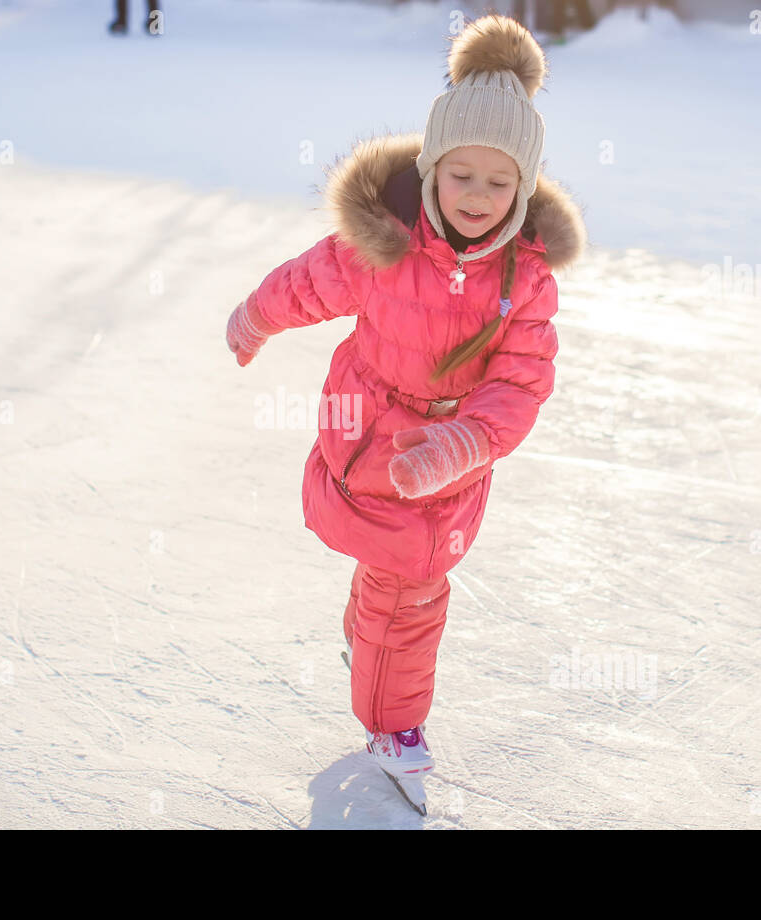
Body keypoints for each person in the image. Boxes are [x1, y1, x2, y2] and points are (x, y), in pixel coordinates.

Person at [225, 14, 586, 812]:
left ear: (524, 190)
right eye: (463, 176)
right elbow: (308, 282)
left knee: (407, 584)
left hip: (446, 465)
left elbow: (523, 382)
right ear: (431, 169)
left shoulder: (523, 277)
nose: (479, 198)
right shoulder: (385, 243)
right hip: (364, 434)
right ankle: (390, 708)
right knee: (398, 584)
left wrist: (463, 441)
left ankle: (384, 692)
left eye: (501, 184)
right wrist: (257, 316)